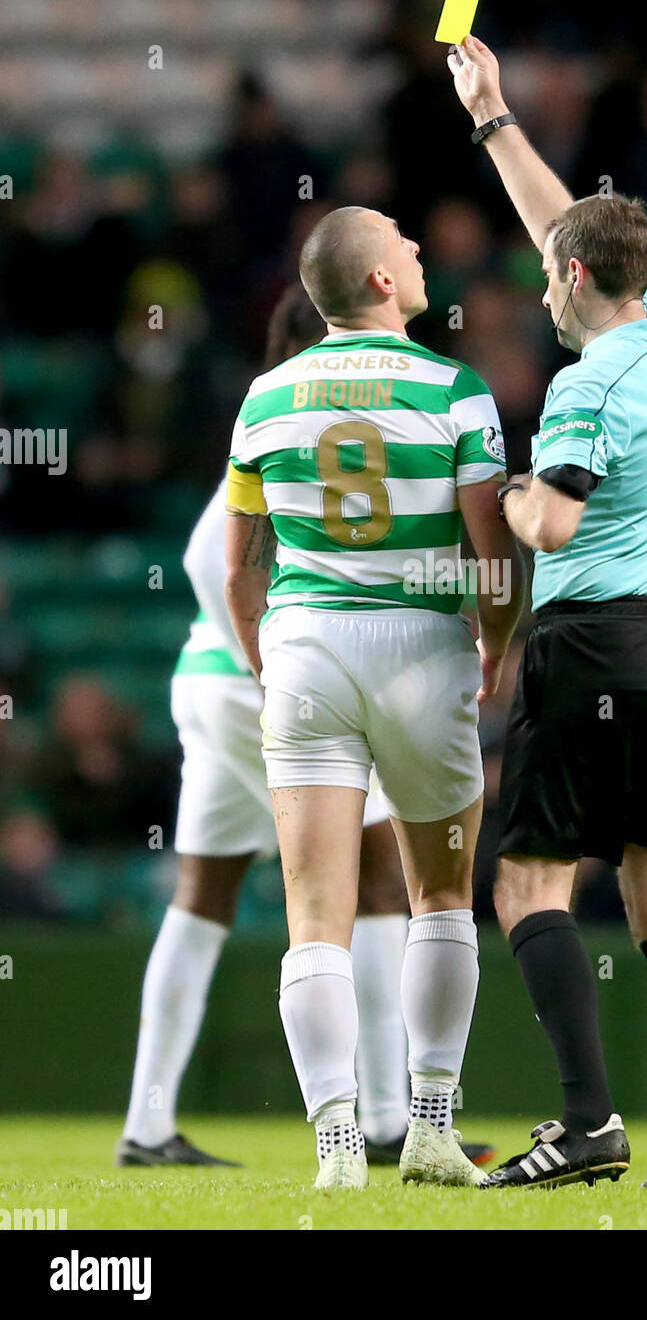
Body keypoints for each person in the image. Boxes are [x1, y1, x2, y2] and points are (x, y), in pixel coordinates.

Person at [118, 287, 494, 1169]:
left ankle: (146, 1121)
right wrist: (263, 656)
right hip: (267, 683)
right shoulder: (294, 416)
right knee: (371, 882)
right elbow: (208, 555)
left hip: (214, 681)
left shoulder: (273, 422)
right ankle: (388, 1118)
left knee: (203, 895)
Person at [447, 36, 647, 1189]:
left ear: (566, 283)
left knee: (527, 884)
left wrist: (502, 488)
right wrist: (493, 118)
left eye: (552, 273)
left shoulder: (581, 385)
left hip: (589, 639)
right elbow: (571, 239)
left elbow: (548, 527)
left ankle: (586, 1121)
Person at [225, 208, 524, 1189]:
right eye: (404, 242)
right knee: (441, 896)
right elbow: (493, 552)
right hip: (422, 649)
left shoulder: (266, 397)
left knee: (315, 911)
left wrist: (266, 663)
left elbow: (240, 572)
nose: (421, 248)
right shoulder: (457, 389)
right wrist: (496, 648)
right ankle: (432, 1126)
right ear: (383, 284)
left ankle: (337, 1148)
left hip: (307, 646)